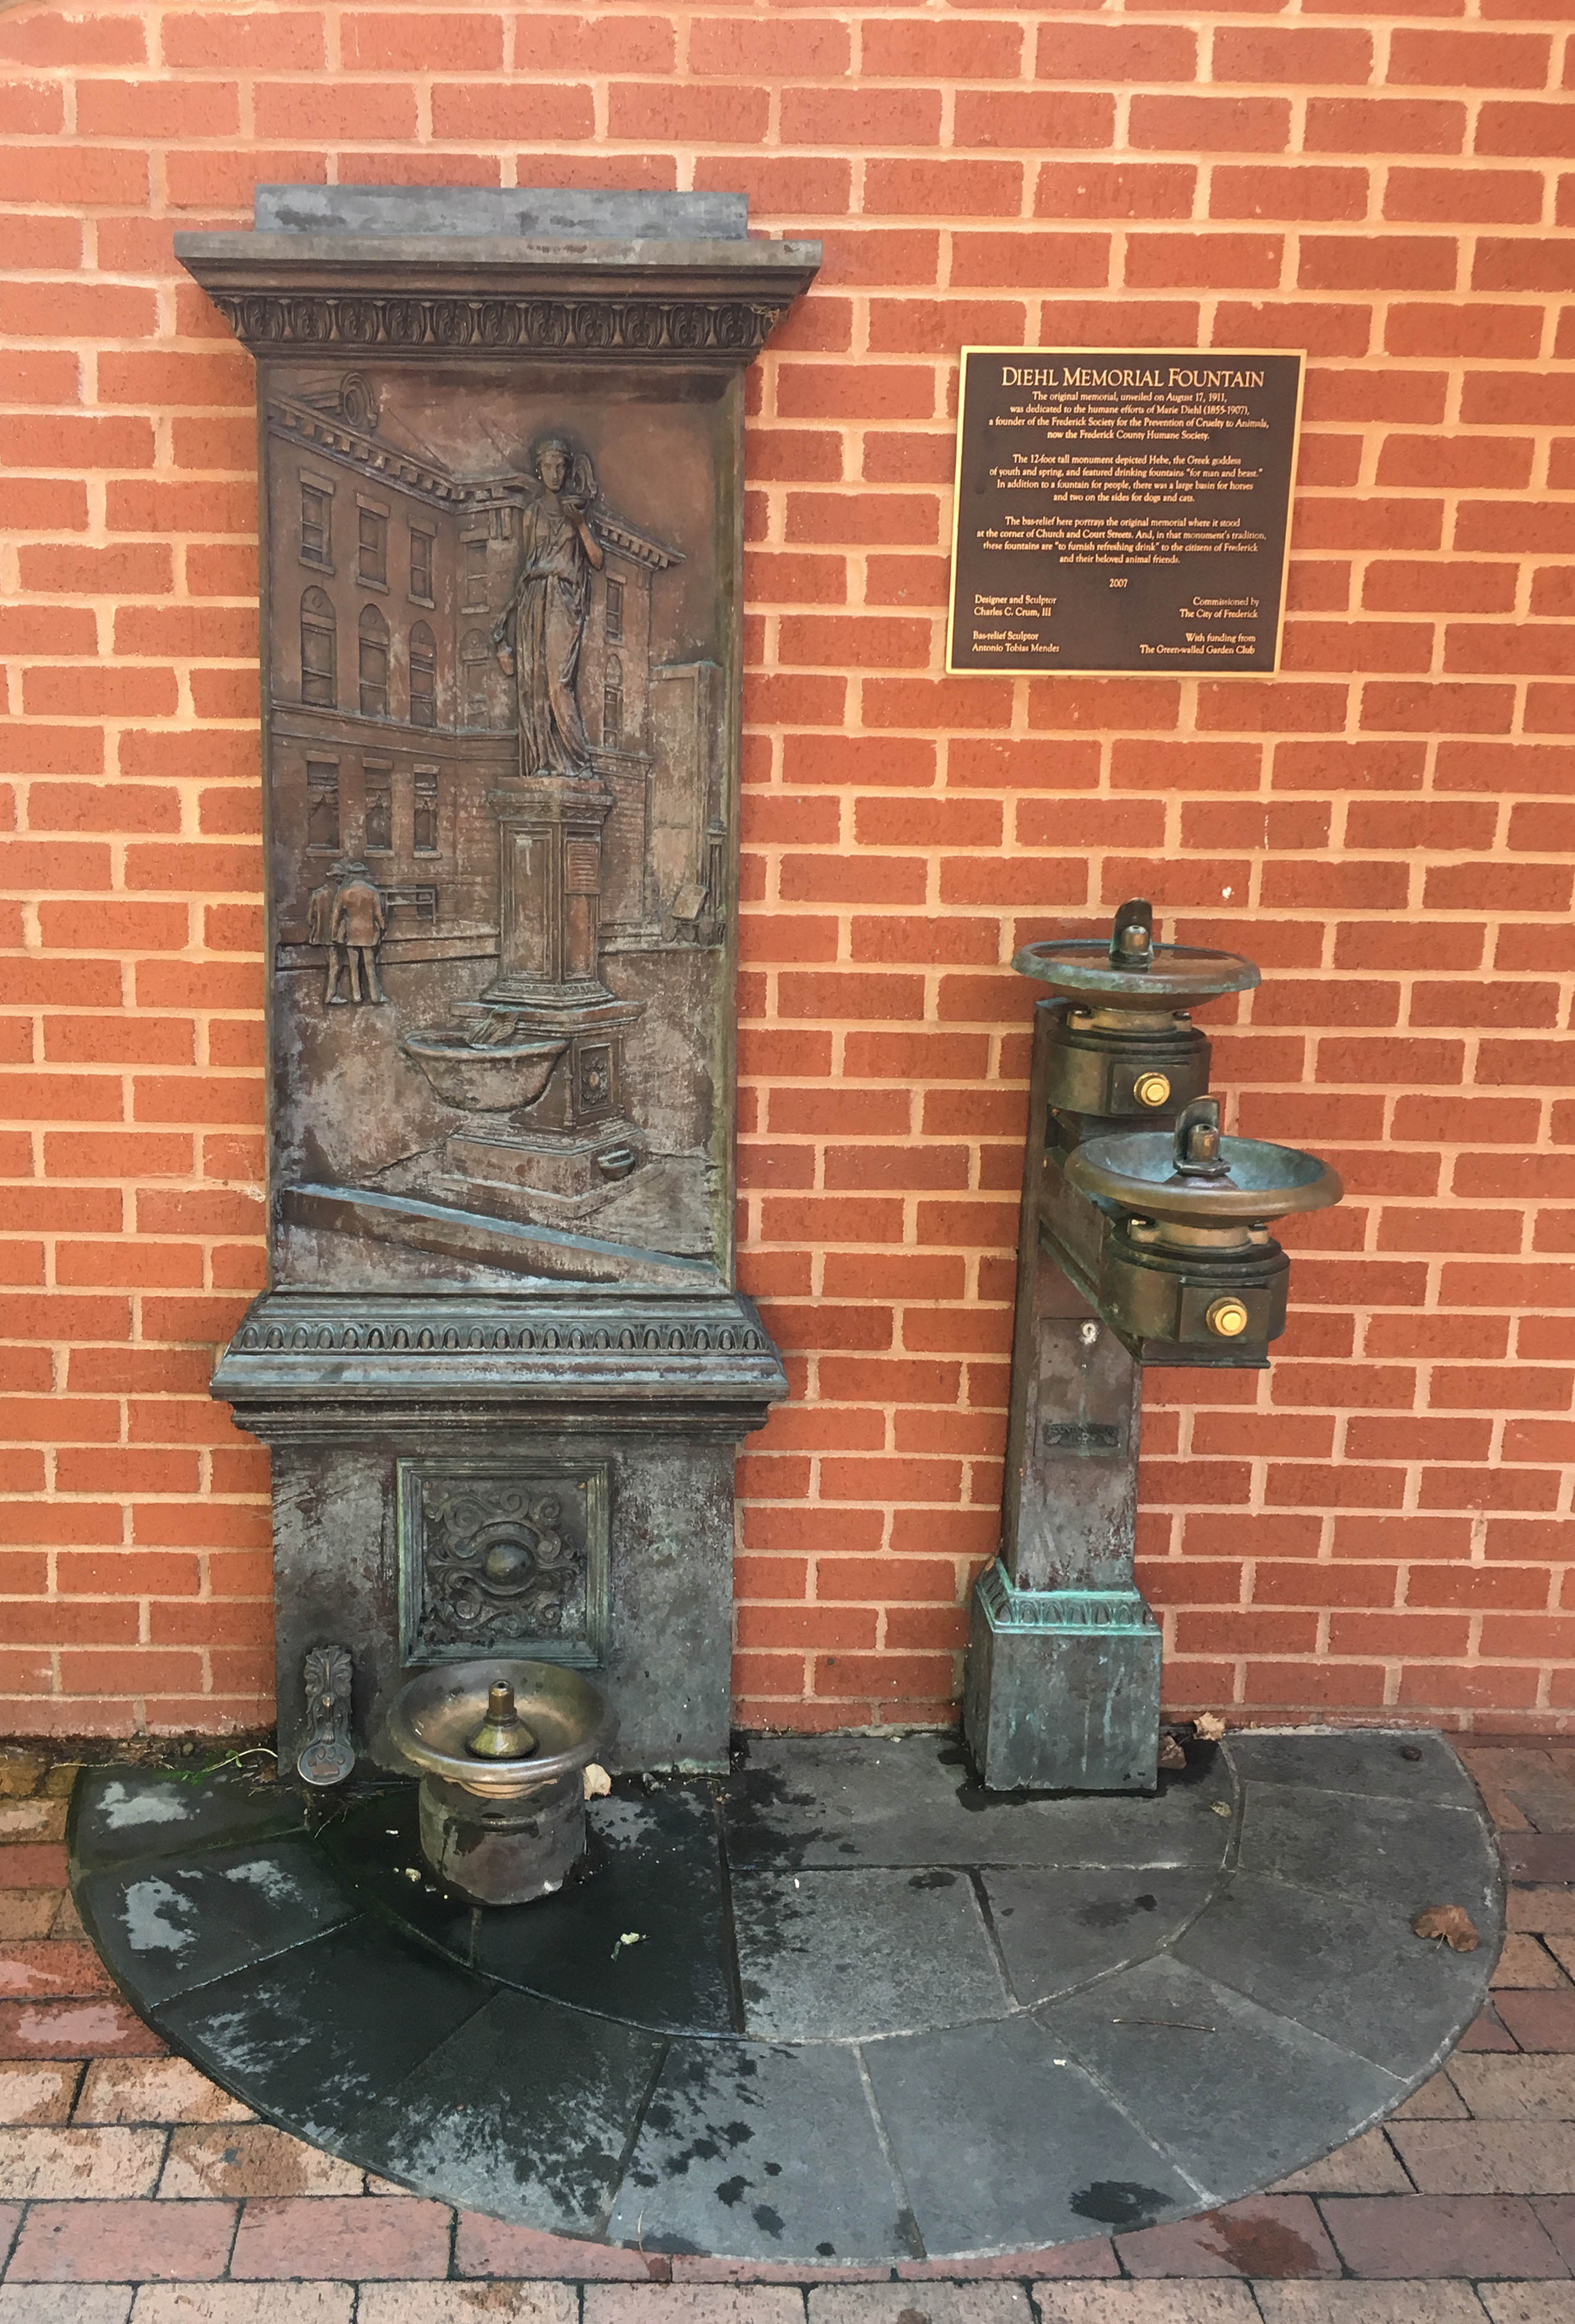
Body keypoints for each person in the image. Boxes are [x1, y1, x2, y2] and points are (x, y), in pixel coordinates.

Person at [493, 435, 604, 779]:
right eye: (548, 467)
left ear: (567, 469)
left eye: (560, 466)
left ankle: (579, 764)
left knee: (558, 683)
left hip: (563, 599)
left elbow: (597, 561)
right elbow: (529, 564)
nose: (555, 473)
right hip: (534, 600)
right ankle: (542, 762)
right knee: (535, 684)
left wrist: (580, 525)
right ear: (539, 471)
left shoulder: (578, 514)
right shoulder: (533, 514)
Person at [326, 862, 386, 1005]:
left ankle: (356, 995)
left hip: (351, 933)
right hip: (368, 932)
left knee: (353, 967)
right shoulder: (372, 892)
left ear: (352, 875)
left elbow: (336, 915)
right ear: (363, 875)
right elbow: (379, 914)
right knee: (370, 965)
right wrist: (383, 927)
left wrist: (334, 934)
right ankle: (375, 996)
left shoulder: (344, 892)